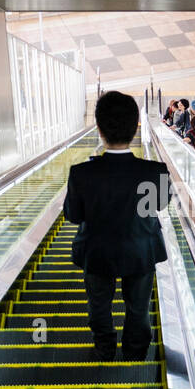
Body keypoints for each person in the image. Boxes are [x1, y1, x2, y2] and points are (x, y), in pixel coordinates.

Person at [64, 91, 169, 361]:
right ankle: (135, 351)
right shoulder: (154, 171)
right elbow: (161, 205)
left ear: (99, 129)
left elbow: (73, 216)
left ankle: (104, 348)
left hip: (97, 252)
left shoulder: (81, 174)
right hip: (140, 249)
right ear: (136, 127)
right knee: (138, 306)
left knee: (98, 304)